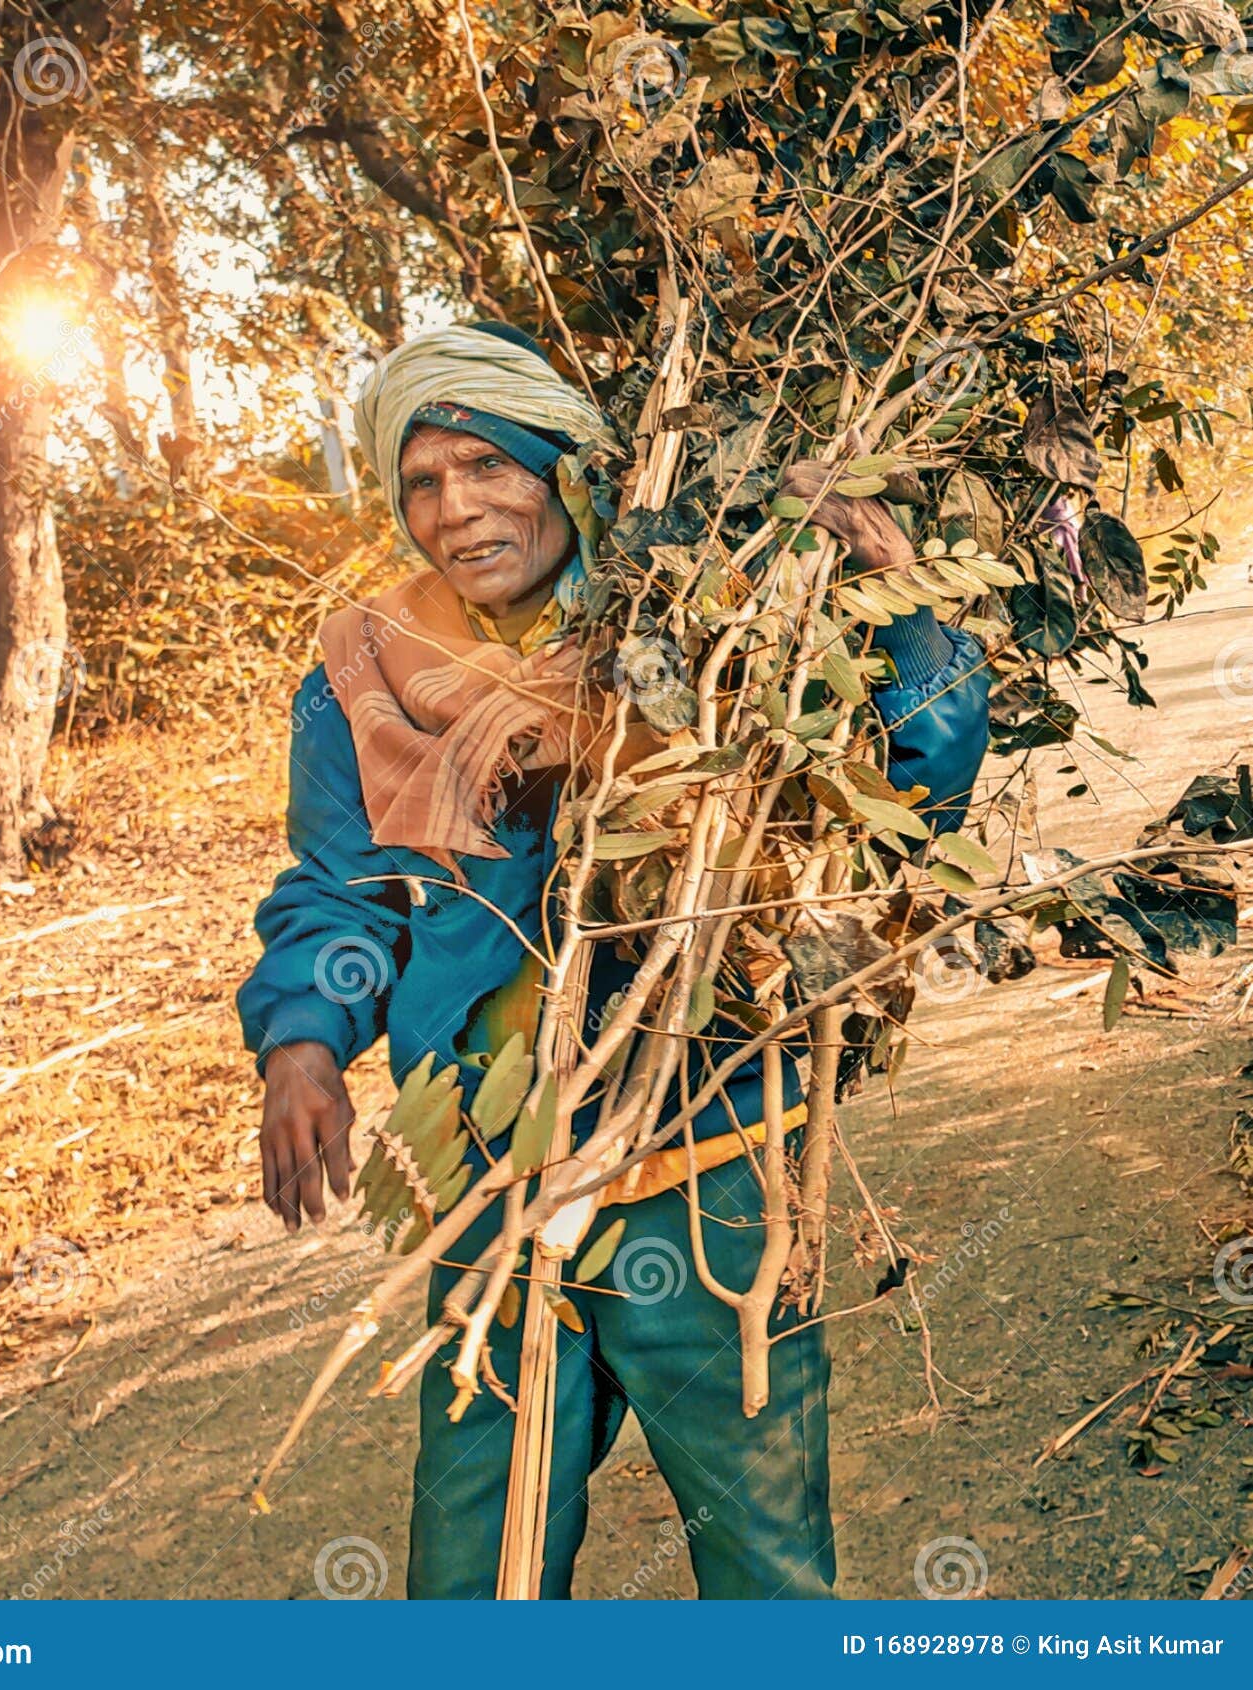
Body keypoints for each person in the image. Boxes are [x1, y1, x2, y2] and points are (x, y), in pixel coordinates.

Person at [237, 321, 992, 1599]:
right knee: (472, 1576)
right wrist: (304, 1035)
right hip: (484, 1178)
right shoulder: (360, 668)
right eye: (421, 482)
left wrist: (904, 606)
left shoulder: (706, 623)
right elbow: (341, 887)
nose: (456, 509)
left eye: (489, 465)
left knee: (762, 1568)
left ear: (560, 464)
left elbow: (912, 783)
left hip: (700, 1170)